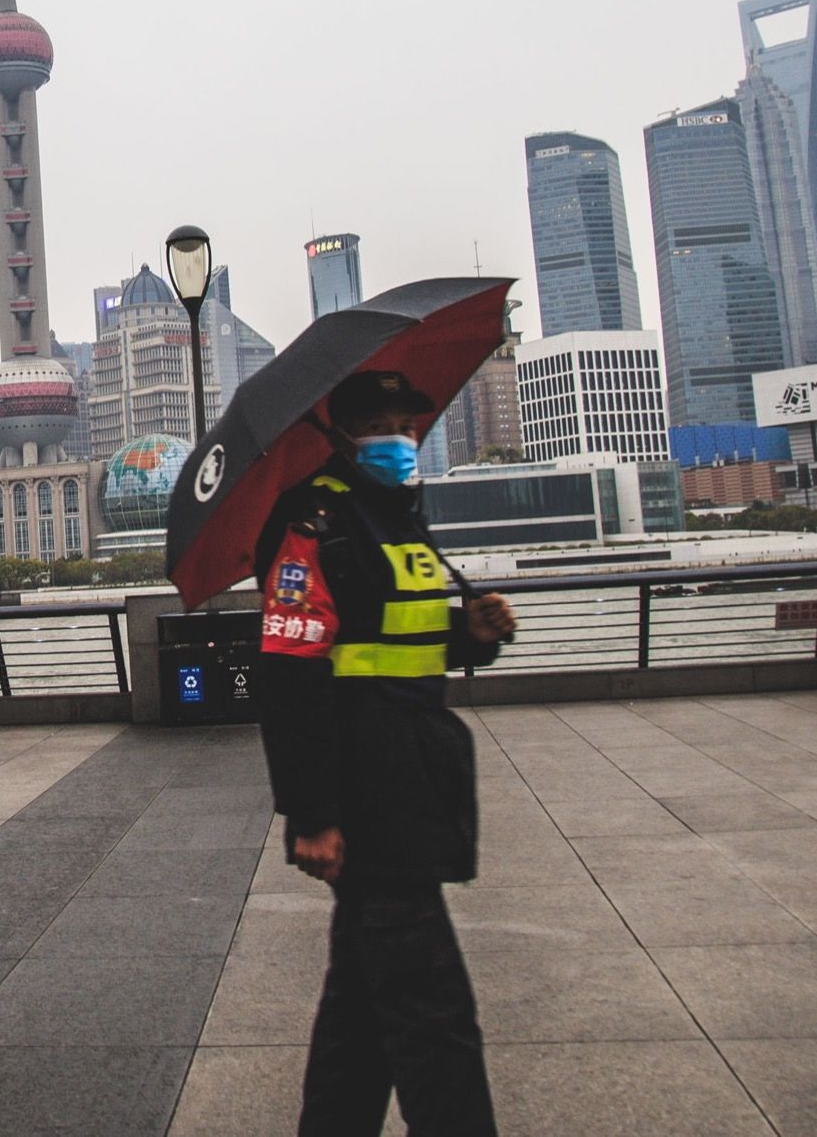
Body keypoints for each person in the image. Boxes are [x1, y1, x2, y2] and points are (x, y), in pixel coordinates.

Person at [252, 368, 519, 1137]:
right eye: (380, 424)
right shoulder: (315, 526)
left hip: (417, 775)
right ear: (341, 436)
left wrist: (470, 636)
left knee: (360, 1023)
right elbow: (290, 673)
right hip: (372, 800)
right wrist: (313, 814)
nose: (398, 439)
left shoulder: (398, 518)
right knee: (435, 1016)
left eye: (406, 423)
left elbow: (400, 642)